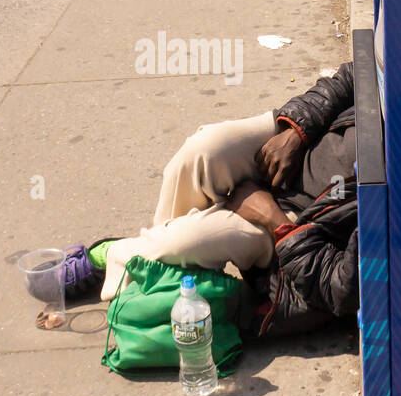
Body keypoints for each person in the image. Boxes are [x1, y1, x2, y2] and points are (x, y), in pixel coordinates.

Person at [100, 64, 359, 337]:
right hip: (303, 146)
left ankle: (125, 261)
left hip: (301, 225)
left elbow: (341, 288)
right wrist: (296, 132)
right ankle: (158, 271)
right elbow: (354, 75)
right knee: (203, 149)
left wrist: (274, 220)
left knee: (191, 240)